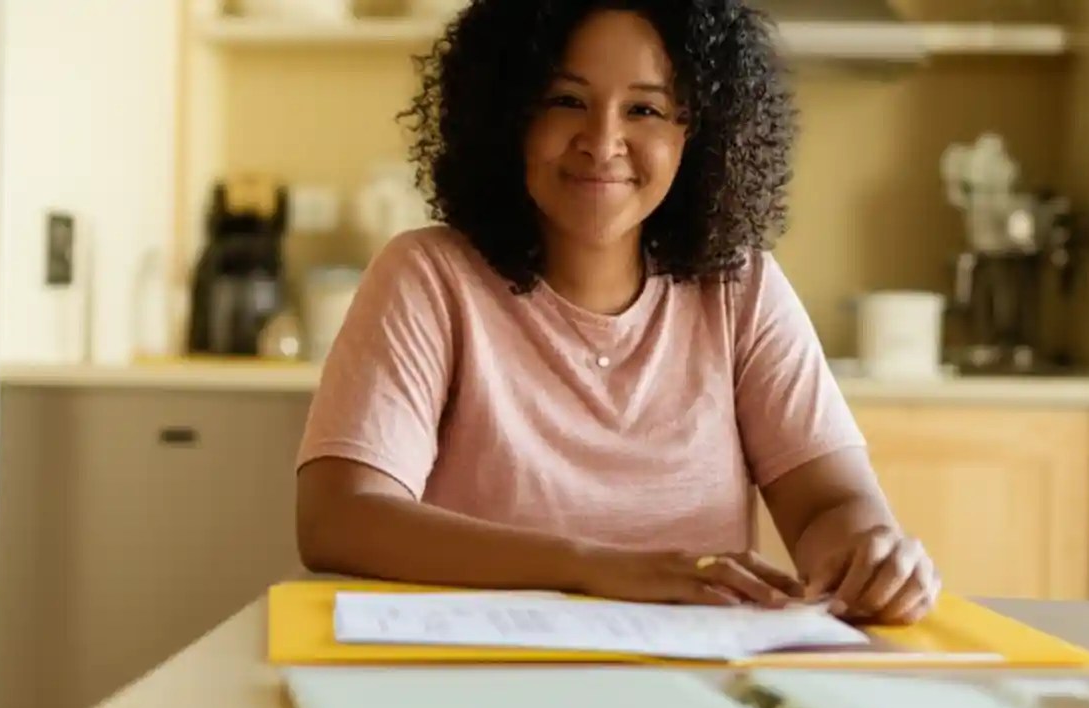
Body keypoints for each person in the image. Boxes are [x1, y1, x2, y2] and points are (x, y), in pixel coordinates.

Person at [295, 0, 940, 625]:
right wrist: (595, 567)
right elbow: (340, 518)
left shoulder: (739, 289)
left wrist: (871, 554)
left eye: (645, 109)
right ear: (508, 114)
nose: (603, 142)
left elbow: (830, 504)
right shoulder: (428, 277)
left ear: (698, 135)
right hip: (485, 676)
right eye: (566, 100)